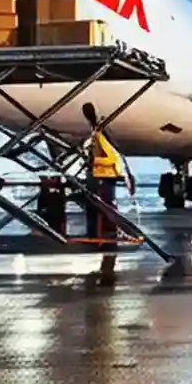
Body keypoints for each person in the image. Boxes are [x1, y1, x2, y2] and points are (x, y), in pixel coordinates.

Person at [82, 103, 135, 284]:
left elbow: (111, 158)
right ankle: (104, 233)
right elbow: (112, 158)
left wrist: (94, 163)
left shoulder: (98, 136)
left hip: (104, 177)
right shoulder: (98, 136)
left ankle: (105, 233)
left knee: (103, 207)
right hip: (103, 177)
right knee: (104, 207)